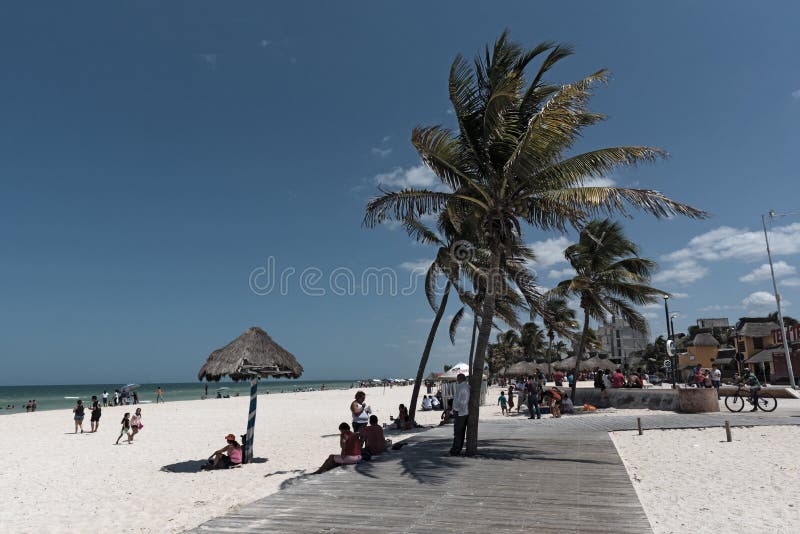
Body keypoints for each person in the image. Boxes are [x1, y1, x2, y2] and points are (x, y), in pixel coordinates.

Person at [449, 373, 470, 456]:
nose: (457, 381)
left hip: (460, 412)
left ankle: (456, 449)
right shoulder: (468, 386)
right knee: (462, 431)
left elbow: (459, 400)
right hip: (465, 412)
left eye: (457, 379)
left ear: (459, 379)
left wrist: (455, 410)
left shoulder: (460, 387)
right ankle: (458, 448)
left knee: (458, 432)